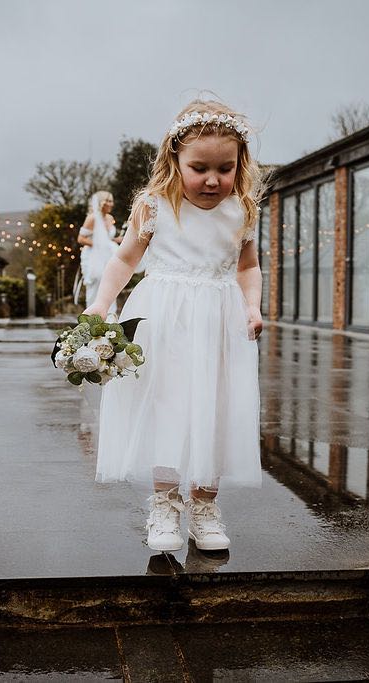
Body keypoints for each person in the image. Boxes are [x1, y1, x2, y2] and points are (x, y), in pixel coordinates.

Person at [82, 99, 264, 553]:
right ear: (174, 161)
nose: (212, 179)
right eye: (199, 167)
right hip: (164, 320)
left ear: (239, 165)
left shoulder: (240, 210)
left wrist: (252, 305)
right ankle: (164, 504)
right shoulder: (155, 207)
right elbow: (124, 260)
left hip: (218, 322)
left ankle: (204, 505)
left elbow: (248, 267)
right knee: (167, 404)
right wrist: (102, 304)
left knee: (214, 407)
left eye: (225, 168)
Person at [77, 190, 122, 314]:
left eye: (112, 201)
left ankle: (110, 319)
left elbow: (106, 238)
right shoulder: (92, 218)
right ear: (101, 202)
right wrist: (100, 245)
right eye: (108, 201)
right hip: (93, 257)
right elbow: (81, 239)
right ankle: (92, 317)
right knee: (96, 284)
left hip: (108, 256)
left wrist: (116, 240)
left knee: (110, 284)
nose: (111, 204)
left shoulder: (110, 218)